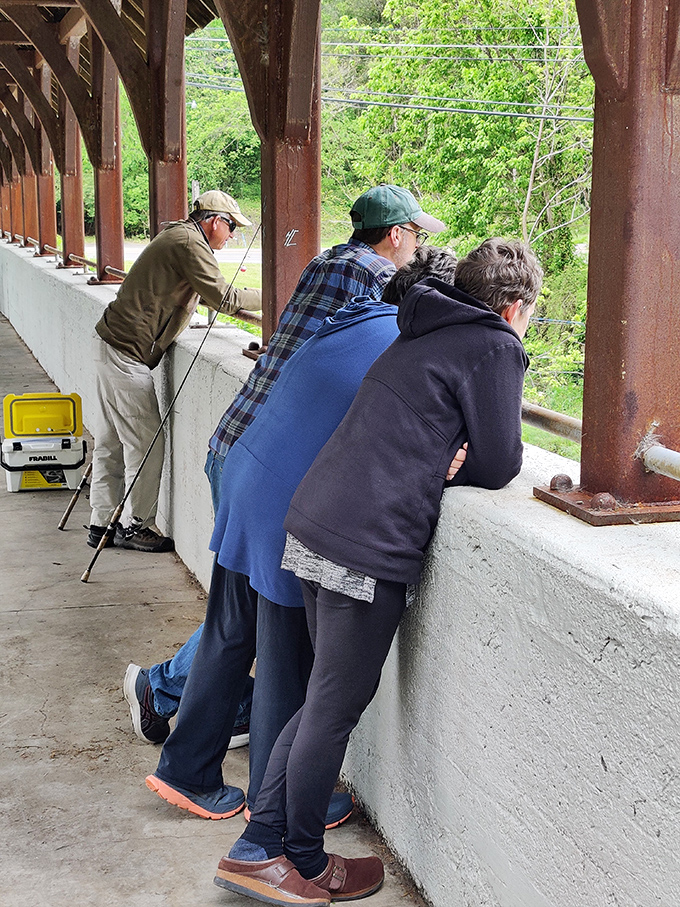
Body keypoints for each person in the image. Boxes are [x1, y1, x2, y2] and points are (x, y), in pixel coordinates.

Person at [215, 238, 543, 906]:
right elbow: (502, 459)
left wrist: (455, 449)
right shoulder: (494, 345)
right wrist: (463, 458)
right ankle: (299, 861)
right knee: (333, 708)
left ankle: (260, 846)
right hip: (363, 544)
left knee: (318, 699)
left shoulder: (424, 323)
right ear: (515, 307)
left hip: (313, 518)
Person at [143, 248, 459, 832]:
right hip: (285, 506)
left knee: (228, 629)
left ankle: (185, 770)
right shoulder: (411, 350)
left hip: (243, 471)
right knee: (288, 656)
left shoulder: (352, 314)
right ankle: (280, 803)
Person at [124, 185, 445, 742]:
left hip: (242, 439)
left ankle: (219, 707)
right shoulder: (375, 277)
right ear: (396, 234)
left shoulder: (327, 260)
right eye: (415, 236)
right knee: (263, 607)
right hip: (273, 455)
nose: (416, 248)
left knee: (248, 598)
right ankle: (167, 687)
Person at [88, 190, 261, 554]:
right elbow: (226, 299)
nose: (231, 236)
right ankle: (138, 525)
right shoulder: (189, 243)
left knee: (110, 443)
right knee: (146, 444)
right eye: (231, 227)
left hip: (111, 344)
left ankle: (101, 524)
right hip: (125, 354)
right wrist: (276, 295)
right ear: (215, 221)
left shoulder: (180, 235)